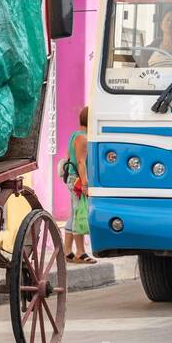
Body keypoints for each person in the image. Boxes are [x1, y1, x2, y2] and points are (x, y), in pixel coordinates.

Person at [62, 106, 95, 264]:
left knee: (73, 214)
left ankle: (67, 251)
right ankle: (80, 253)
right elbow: (81, 162)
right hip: (77, 180)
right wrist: (85, 184)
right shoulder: (83, 138)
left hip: (72, 178)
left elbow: (69, 157)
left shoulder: (74, 135)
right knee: (78, 215)